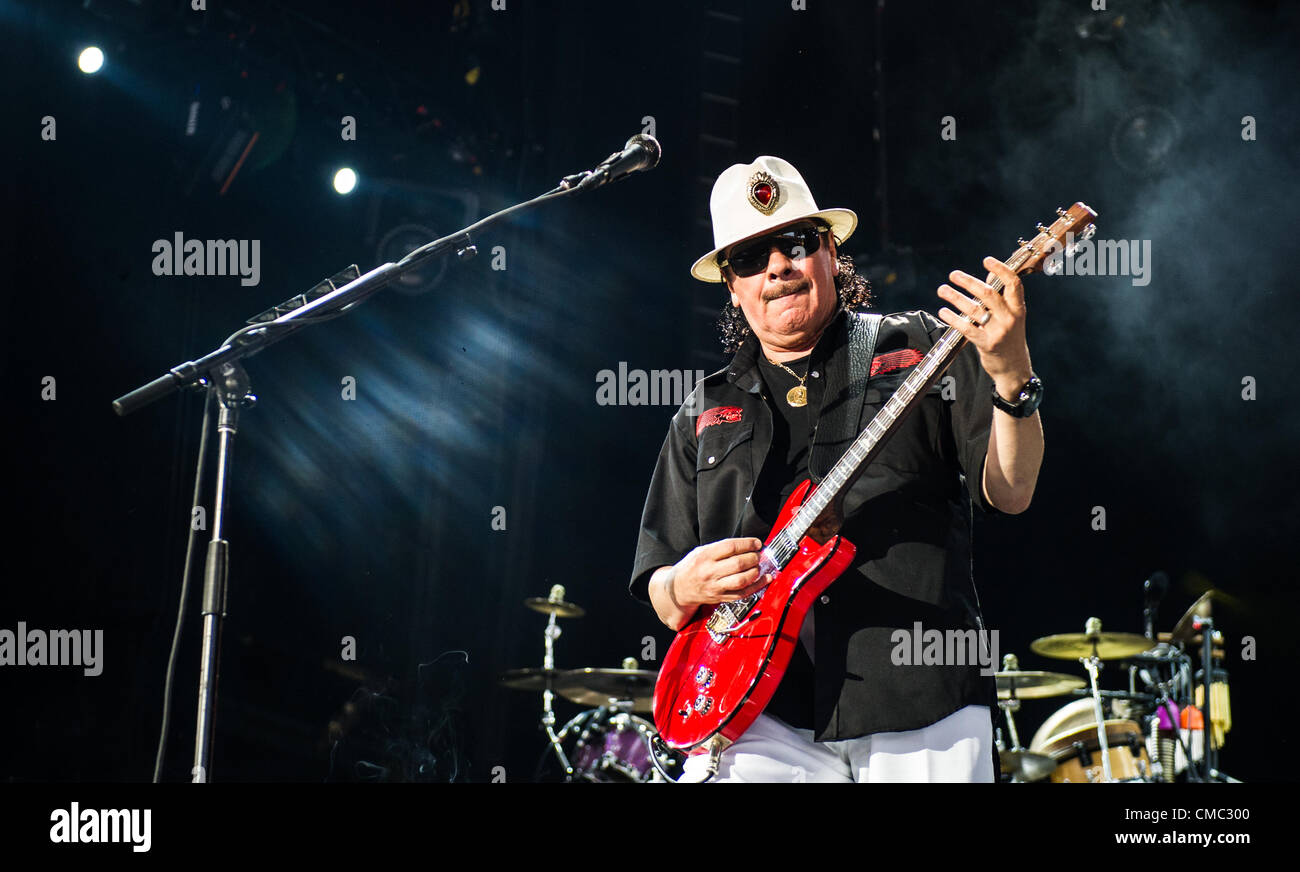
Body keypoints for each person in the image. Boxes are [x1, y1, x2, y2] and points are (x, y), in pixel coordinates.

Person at [629, 156, 1045, 782]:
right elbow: (661, 585)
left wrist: (1012, 374)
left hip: (919, 697)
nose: (776, 267)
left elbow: (1011, 493)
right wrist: (681, 584)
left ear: (830, 251)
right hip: (754, 715)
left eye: (794, 243)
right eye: (749, 259)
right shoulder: (703, 409)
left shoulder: (928, 348)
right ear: (732, 286)